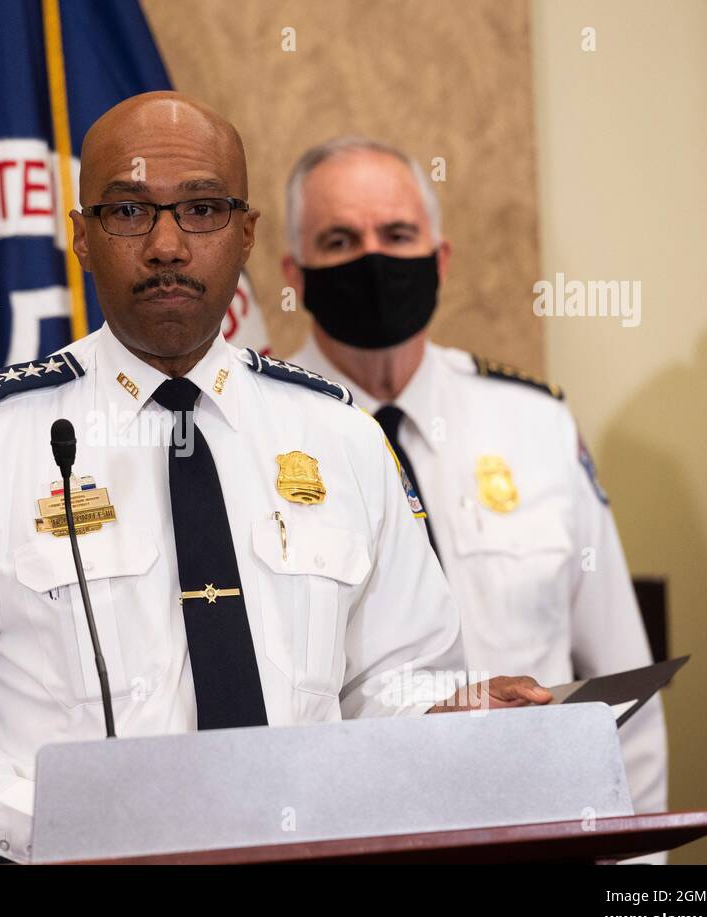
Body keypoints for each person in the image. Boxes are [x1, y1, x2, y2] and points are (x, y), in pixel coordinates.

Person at [0, 95, 550, 865]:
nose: (168, 245)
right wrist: (72, 826)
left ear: (246, 235)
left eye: (203, 209)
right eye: (128, 212)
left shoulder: (339, 436)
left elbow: (389, 682)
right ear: (80, 237)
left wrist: (457, 715)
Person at [282, 135, 668, 844]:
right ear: (295, 274)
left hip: (545, 838)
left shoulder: (536, 424)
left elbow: (624, 683)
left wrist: (632, 883)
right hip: (355, 842)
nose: (373, 258)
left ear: (440, 257)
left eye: (397, 234)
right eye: (339, 240)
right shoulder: (258, 433)